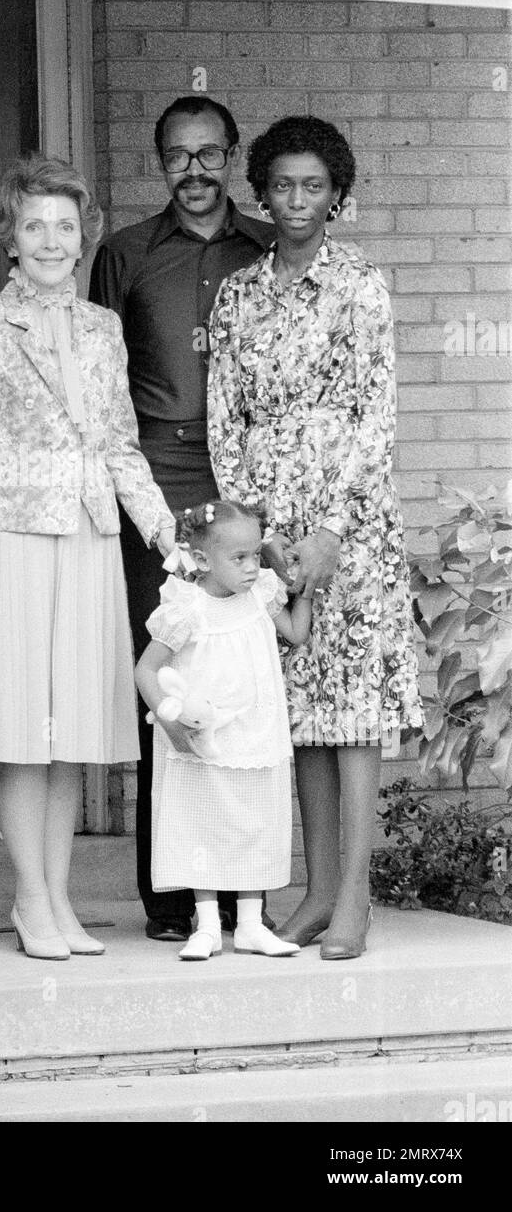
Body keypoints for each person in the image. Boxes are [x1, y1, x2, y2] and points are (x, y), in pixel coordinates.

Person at [0, 154, 175, 960]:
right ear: (9, 238)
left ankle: (58, 898)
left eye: (65, 226)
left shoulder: (102, 328)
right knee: (22, 731)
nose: (50, 240)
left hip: (87, 538)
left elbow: (118, 446)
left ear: (83, 239)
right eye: (34, 225)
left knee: (70, 729)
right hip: (12, 538)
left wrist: (166, 534)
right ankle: (29, 900)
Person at [208, 115, 423, 961]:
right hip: (270, 521)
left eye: (313, 186)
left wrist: (332, 529)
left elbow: (375, 417)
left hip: (351, 523)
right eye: (282, 186)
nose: (296, 201)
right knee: (299, 708)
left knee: (353, 709)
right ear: (260, 192)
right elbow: (225, 419)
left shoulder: (359, 285)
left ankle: (355, 897)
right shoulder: (237, 294)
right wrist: (253, 533)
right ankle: (317, 888)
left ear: (336, 196)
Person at [89, 94, 274, 942]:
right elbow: (104, 381)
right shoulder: (124, 253)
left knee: (241, 682)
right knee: (167, 680)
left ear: (230, 156)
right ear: (158, 160)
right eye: (176, 155)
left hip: (238, 483)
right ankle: (170, 896)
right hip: (155, 483)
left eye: (208, 154)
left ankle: (243, 890)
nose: (193, 170)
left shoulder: (265, 248)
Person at [135, 501, 312, 959]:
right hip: (206, 741)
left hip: (256, 735)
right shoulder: (186, 608)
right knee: (205, 824)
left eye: (255, 554)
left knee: (253, 823)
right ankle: (209, 926)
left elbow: (295, 633)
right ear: (202, 558)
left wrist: (307, 589)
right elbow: (146, 669)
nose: (252, 566)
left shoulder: (261, 595)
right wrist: (168, 720)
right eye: (239, 558)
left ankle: (250, 925)